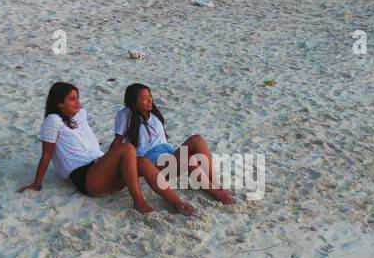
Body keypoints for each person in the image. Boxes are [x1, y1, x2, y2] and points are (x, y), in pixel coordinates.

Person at [19, 82, 197, 216]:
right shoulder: (52, 121)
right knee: (127, 148)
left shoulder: (80, 115)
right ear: (59, 103)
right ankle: (139, 203)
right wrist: (37, 183)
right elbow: (47, 154)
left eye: (78, 98)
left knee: (141, 162)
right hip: (87, 176)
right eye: (72, 99)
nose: (77, 103)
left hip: (101, 167)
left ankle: (177, 203)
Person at [110, 83, 234, 205]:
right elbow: (117, 142)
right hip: (154, 163)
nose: (149, 101)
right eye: (144, 98)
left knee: (197, 139)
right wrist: (107, 162)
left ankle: (217, 185)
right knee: (189, 160)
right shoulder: (126, 115)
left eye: (150, 96)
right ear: (133, 102)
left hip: (170, 152)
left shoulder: (153, 114)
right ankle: (217, 194)